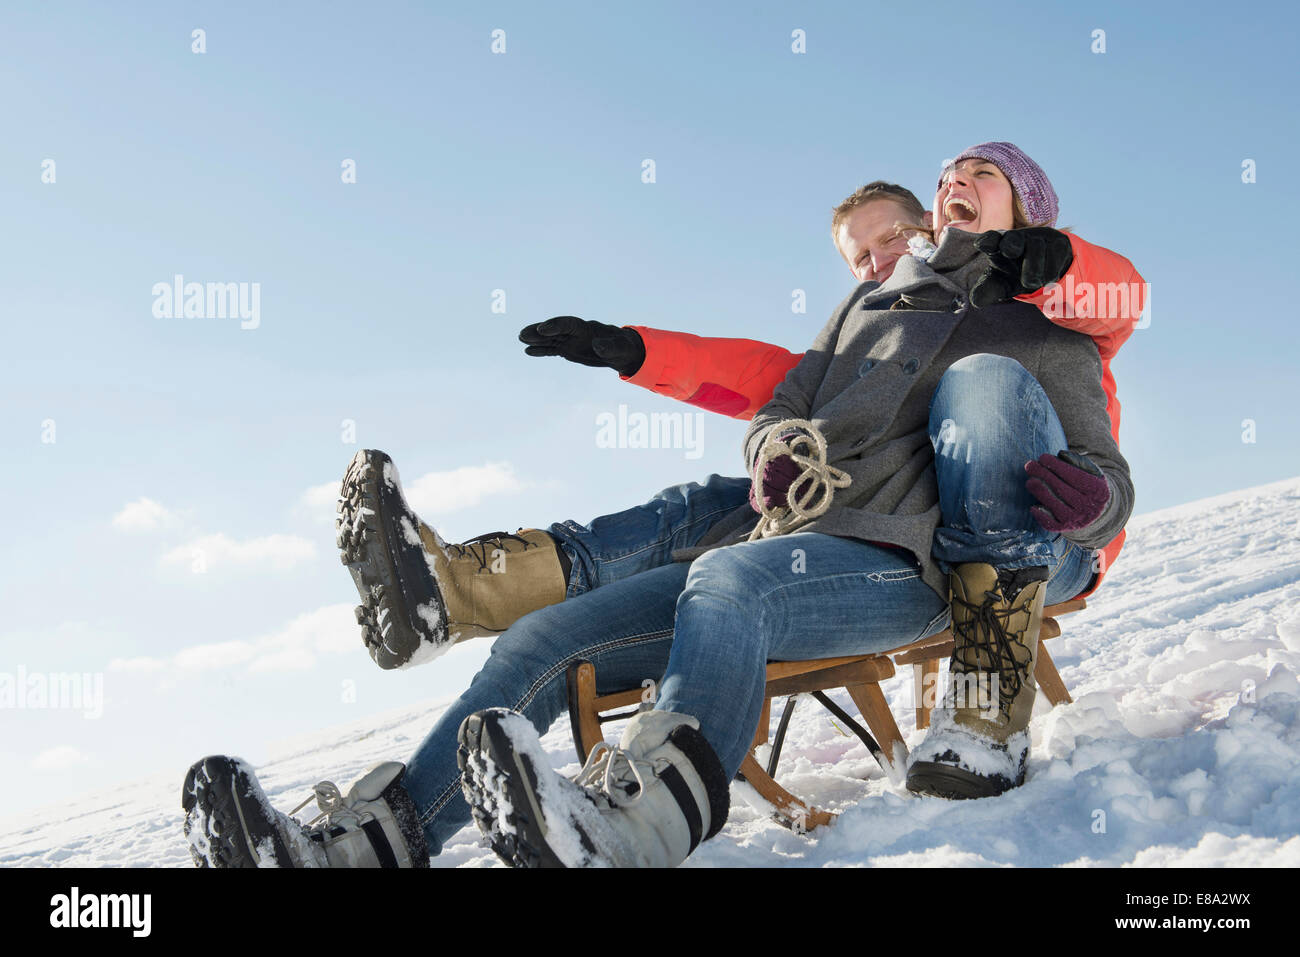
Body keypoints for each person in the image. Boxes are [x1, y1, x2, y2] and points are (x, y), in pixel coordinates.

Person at [182, 143, 1135, 869]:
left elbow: (1102, 468)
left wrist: (1092, 499)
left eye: (982, 171)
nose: (955, 179)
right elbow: (775, 398)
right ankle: (366, 843)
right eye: (947, 170)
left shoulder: (1049, 326)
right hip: (787, 543)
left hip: (911, 565)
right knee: (544, 640)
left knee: (728, 577)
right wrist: (767, 451)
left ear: (1025, 205)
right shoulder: (863, 314)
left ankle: (643, 820)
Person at [342, 169, 1144, 672]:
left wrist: (1058, 256)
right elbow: (760, 377)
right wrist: (631, 348)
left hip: (1005, 529)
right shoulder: (879, 318)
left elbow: (1119, 297)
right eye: (857, 256)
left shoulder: (1049, 314)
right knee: (695, 506)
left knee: (732, 528)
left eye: (893, 236)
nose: (874, 260)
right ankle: (454, 593)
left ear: (935, 228)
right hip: (864, 502)